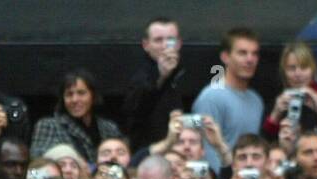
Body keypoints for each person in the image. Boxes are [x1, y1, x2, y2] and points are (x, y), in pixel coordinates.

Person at [191, 28, 263, 171]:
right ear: (225, 57)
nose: (250, 59)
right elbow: (206, 151)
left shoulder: (256, 100)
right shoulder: (211, 97)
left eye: (254, 54)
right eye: (242, 53)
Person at [30, 70, 121, 164]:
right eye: (69, 94)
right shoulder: (49, 125)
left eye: (81, 93)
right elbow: (37, 159)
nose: (75, 99)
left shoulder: (109, 128)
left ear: (93, 96)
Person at [261, 43, 317, 143]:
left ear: (313, 69)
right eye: (292, 68)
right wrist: (275, 115)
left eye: (304, 67)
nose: (298, 74)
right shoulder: (277, 104)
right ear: (284, 72)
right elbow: (264, 146)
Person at [123, 17, 186, 151]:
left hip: (180, 153)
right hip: (148, 155)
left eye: (170, 40)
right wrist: (161, 76)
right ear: (146, 45)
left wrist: (199, 121)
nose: (165, 46)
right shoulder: (138, 78)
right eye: (158, 40)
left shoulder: (185, 75)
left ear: (179, 44)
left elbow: (188, 121)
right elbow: (134, 115)